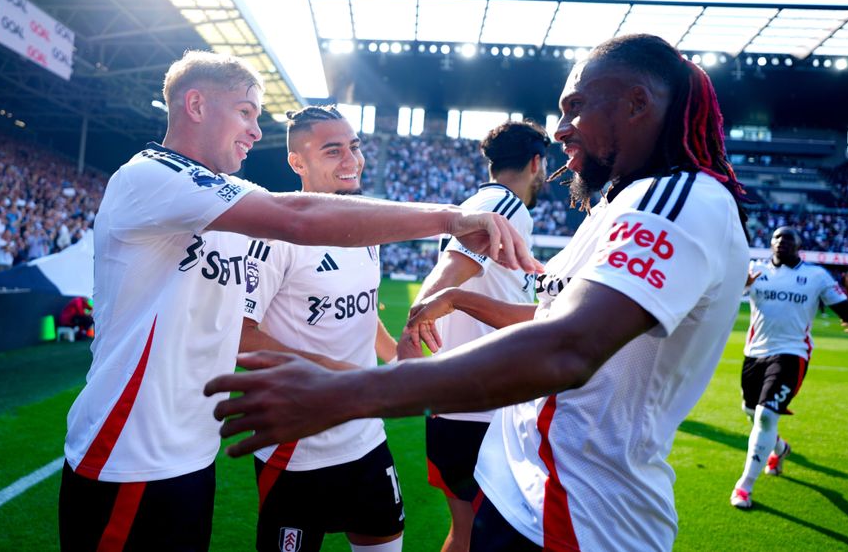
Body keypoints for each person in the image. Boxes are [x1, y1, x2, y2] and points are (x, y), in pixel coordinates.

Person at [208, 33, 751, 552]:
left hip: (577, 519)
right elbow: (545, 318)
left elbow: (568, 346)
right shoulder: (614, 206)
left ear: (637, 103)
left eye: (576, 107)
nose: (560, 130)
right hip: (520, 490)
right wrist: (453, 301)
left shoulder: (682, 200)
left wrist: (351, 391)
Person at [58, 50, 537, 552]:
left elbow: (327, 226)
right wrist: (448, 218)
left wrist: (392, 354)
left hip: (191, 450)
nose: (254, 130)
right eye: (245, 111)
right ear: (195, 104)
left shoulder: (225, 193)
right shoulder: (150, 177)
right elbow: (299, 220)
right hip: (128, 450)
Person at [240, 105, 404, 552]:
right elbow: (239, 334)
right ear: (298, 162)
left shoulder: (366, 227)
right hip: (297, 446)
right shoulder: (273, 233)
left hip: (367, 436)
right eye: (333, 151)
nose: (351, 160)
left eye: (354, 147)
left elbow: (363, 312)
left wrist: (401, 359)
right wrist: (334, 370)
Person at [396, 120, 547, 552]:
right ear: (536, 163)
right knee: (481, 536)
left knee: (466, 535)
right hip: (479, 409)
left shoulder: (487, 201)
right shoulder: (504, 204)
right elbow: (448, 275)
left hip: (466, 403)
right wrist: (415, 324)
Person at [730, 227, 848, 509]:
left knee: (766, 415)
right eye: (777, 238)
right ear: (770, 244)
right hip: (754, 354)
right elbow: (721, 302)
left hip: (792, 353)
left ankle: (744, 486)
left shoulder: (816, 276)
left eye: (788, 239)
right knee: (750, 411)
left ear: (798, 246)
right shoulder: (754, 270)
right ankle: (779, 449)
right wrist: (738, 286)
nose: (782, 243)